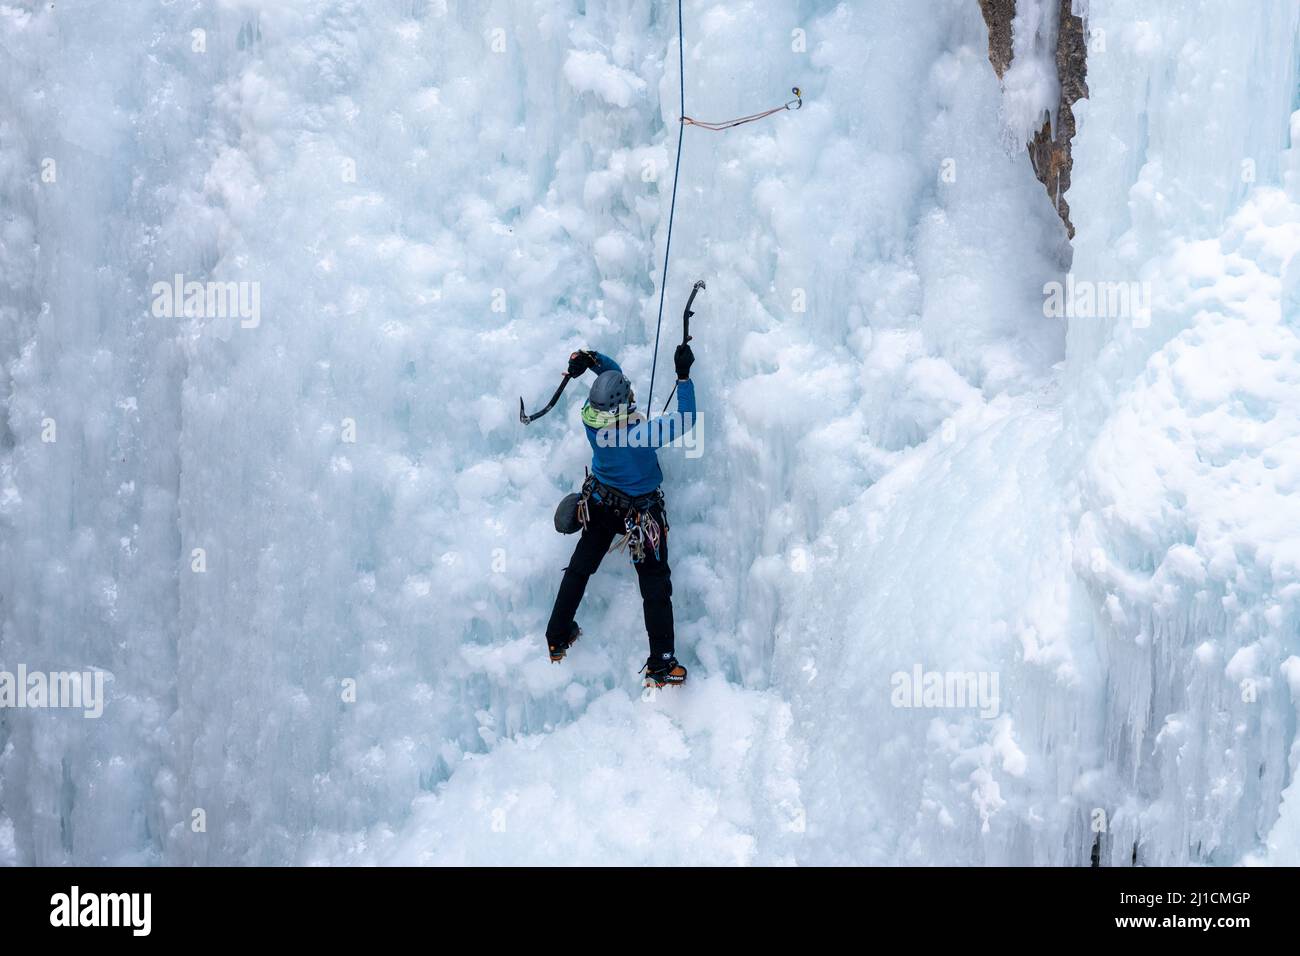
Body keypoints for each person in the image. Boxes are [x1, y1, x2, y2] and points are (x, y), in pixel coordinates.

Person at [544, 342, 697, 687]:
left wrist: (592, 360)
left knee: (581, 568)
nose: (631, 399)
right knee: (655, 584)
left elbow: (615, 380)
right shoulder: (639, 435)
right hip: (641, 516)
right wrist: (684, 378)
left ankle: (556, 635)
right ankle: (661, 662)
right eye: (627, 398)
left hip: (600, 503)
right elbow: (686, 420)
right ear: (620, 406)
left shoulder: (591, 420)